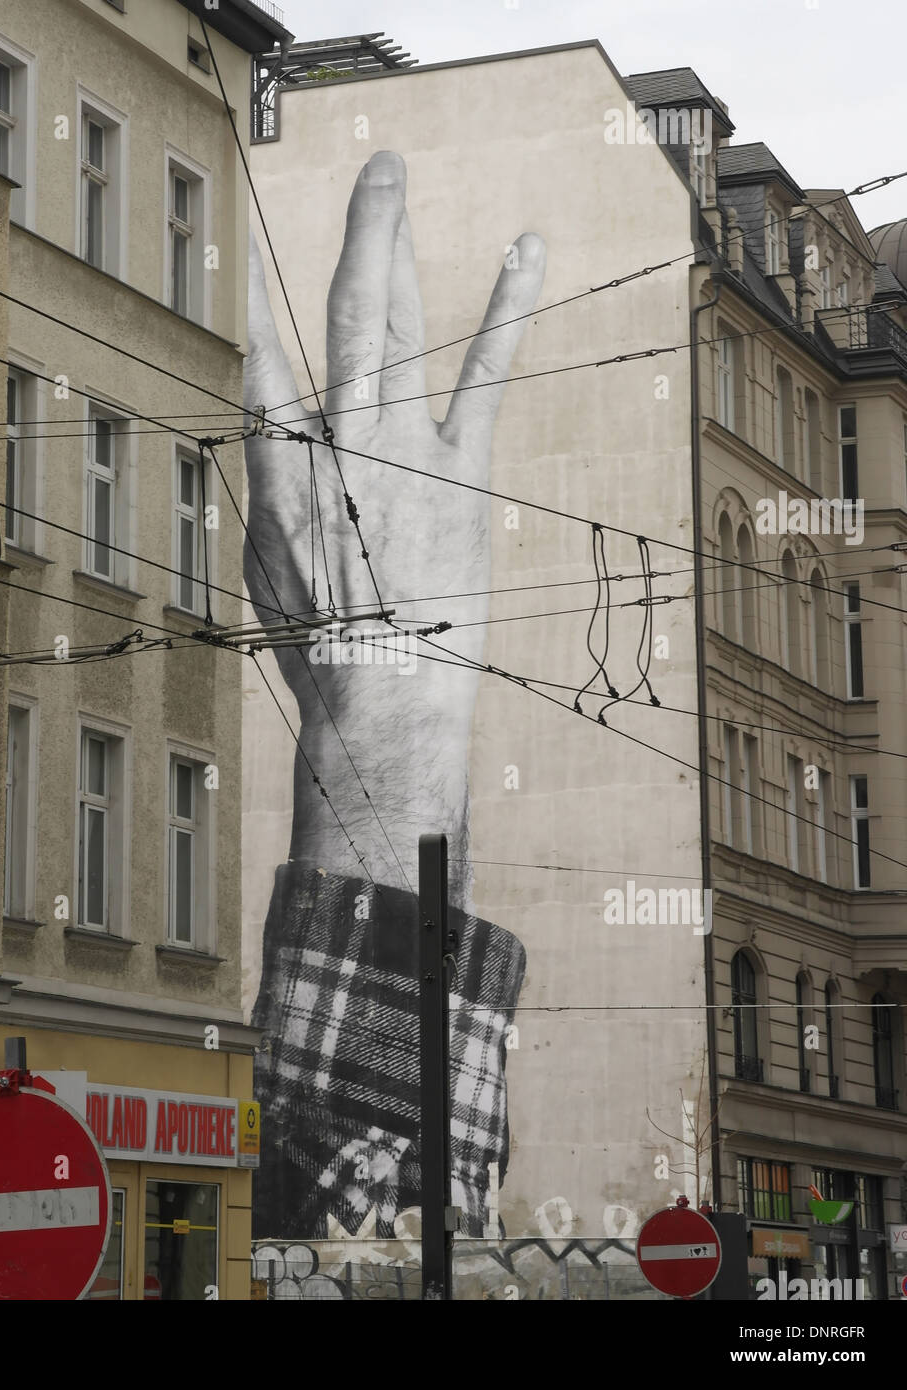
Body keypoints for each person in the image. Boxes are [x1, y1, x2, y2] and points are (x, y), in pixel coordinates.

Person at [244, 151, 545, 1240]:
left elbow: (355, 1183)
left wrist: (386, 715)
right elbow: (393, 1200)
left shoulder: (378, 1178)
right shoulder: (418, 1187)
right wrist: (399, 715)